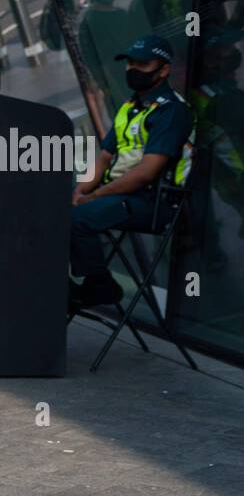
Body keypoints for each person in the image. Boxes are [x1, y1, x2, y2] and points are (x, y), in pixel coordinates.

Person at [70, 34, 194, 310]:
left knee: (77, 219)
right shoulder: (129, 107)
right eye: (130, 63)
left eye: (142, 64)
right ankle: (58, 282)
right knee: (47, 203)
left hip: (152, 202)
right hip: (120, 195)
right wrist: (82, 188)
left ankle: (99, 286)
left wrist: (93, 197)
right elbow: (104, 157)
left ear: (163, 70)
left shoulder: (171, 111)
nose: (132, 69)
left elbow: (145, 173)